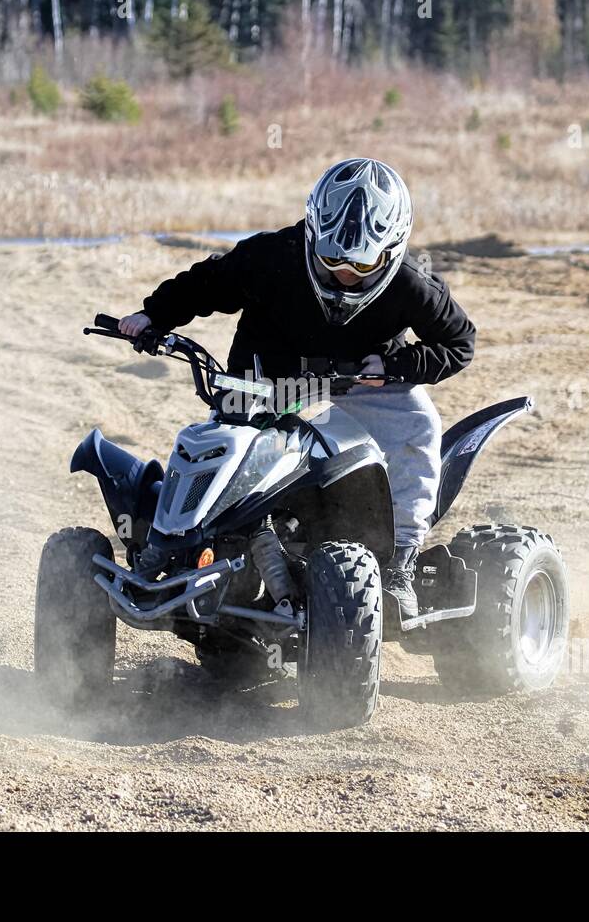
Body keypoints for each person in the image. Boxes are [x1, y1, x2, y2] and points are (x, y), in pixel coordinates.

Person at [118, 157, 475, 617]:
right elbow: (206, 284)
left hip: (358, 386)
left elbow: (459, 342)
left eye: (362, 263)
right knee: (215, 447)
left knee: (420, 421)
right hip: (266, 382)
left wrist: (395, 364)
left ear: (392, 249)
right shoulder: (272, 255)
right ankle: (180, 544)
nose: (345, 272)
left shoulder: (411, 284)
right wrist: (153, 315)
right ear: (312, 231)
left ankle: (399, 562)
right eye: (331, 258)